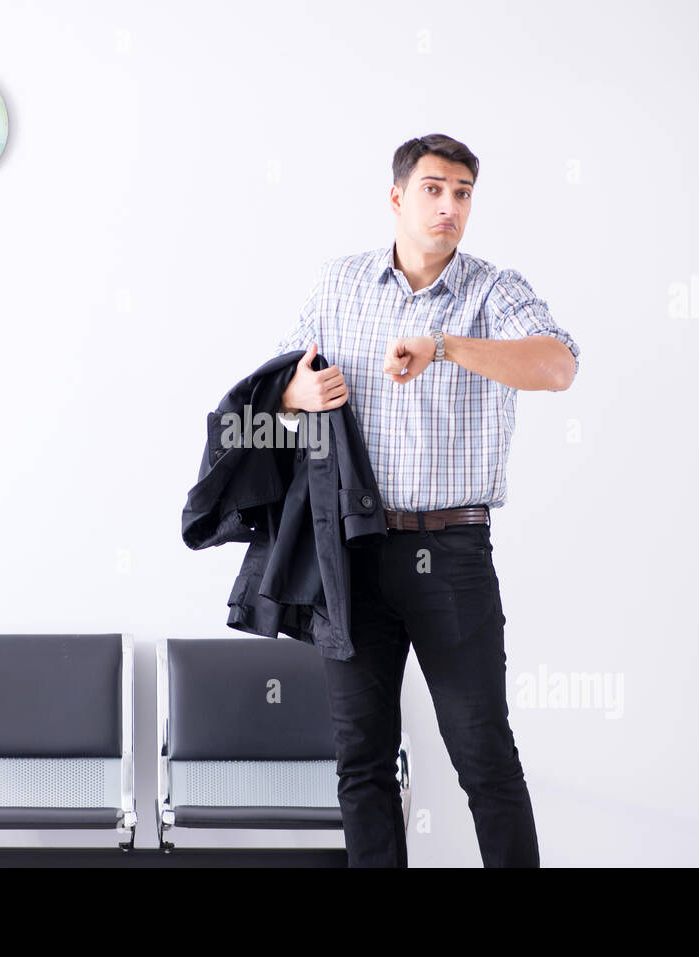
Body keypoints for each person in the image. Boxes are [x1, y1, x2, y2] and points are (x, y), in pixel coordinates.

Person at [274, 133, 580, 867]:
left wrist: (444, 344)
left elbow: (558, 365)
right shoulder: (339, 283)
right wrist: (296, 391)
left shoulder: (493, 289)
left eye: (464, 192)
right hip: (351, 552)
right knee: (361, 759)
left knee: (484, 755)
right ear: (397, 197)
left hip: (452, 555)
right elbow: (277, 389)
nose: (450, 205)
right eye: (435, 188)